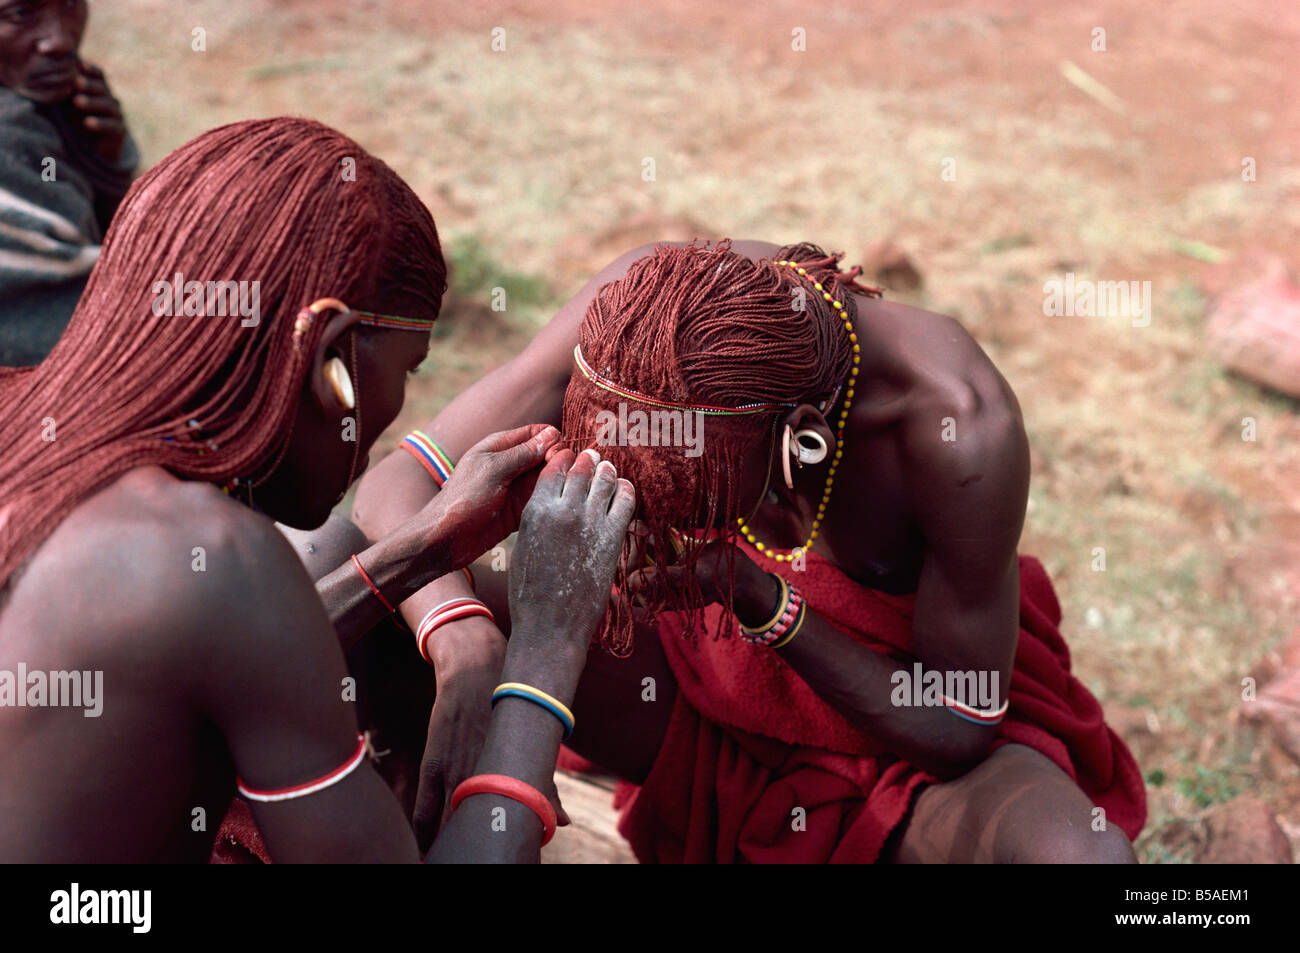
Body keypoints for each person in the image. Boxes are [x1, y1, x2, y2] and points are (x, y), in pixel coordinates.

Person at [353, 239, 1148, 863]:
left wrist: (760, 598)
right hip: (682, 688)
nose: (656, 520)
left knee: (1079, 852)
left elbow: (962, 719)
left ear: (799, 438)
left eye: (687, 499)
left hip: (900, 749)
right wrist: (462, 638)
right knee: (370, 602)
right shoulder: (641, 321)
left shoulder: (959, 428)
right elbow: (393, 489)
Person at [0, 115, 636, 863]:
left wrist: (422, 549)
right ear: (329, 358)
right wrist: (545, 647)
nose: (391, 414)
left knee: (331, 548)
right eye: (410, 367)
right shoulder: (212, 556)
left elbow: (210, 655)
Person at [0, 0, 139, 365]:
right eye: (20, 14)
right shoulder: (10, 132)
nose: (59, 41)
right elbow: (86, 323)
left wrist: (104, 163)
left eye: (71, 4)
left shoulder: (51, 108)